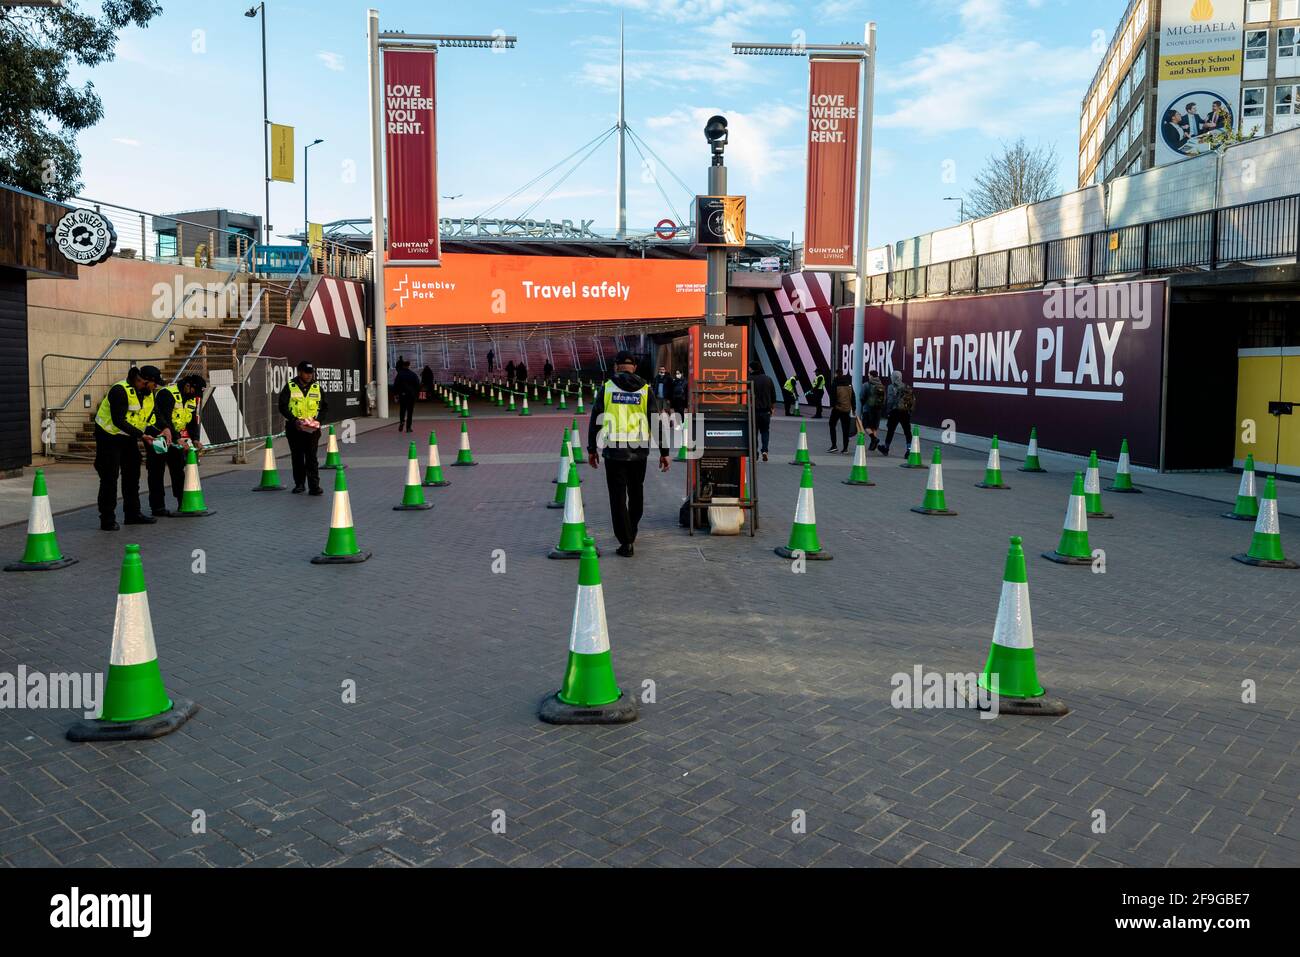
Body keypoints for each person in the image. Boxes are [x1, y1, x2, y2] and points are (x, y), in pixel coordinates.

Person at [587, 350, 669, 558]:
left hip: (614, 452)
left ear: (616, 366)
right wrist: (664, 452)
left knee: (617, 497)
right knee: (636, 493)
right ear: (634, 367)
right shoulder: (645, 390)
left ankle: (626, 541)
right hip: (638, 451)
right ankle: (631, 530)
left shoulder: (606, 388)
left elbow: (595, 418)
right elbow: (656, 421)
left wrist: (591, 449)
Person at [93, 365, 164, 530]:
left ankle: (132, 514)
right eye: (154, 384)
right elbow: (118, 421)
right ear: (143, 380)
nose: (156, 387)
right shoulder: (119, 390)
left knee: (132, 475)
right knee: (109, 478)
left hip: (128, 437)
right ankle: (107, 519)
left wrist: (162, 430)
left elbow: (147, 419)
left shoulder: (148, 395)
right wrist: (142, 436)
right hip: (108, 436)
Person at [145, 373, 206, 517]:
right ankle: (158, 507)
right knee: (156, 471)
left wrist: (195, 439)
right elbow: (164, 419)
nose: (194, 396)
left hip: (175, 438)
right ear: (187, 385)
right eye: (193, 391)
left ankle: (183, 502)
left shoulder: (191, 399)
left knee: (178, 469)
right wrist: (177, 438)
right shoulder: (167, 394)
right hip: (158, 436)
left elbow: (191, 421)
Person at [278, 360, 328, 494]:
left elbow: (324, 408)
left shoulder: (317, 388)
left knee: (312, 457)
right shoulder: (290, 386)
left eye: (311, 373)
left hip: (312, 430)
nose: (309, 375)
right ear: (299, 372)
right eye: (306, 372)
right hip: (295, 429)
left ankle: (314, 486)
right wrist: (295, 420)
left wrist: (318, 421)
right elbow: (282, 406)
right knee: (297, 457)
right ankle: (299, 484)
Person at [879, 370, 915, 456]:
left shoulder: (891, 387)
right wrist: (909, 411)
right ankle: (909, 449)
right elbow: (912, 400)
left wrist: (888, 412)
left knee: (890, 430)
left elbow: (890, 401)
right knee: (907, 432)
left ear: (893, 377)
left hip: (895, 412)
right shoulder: (907, 386)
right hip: (905, 412)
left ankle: (886, 448)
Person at [750, 361, 776, 462]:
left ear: (752, 368)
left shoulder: (749, 379)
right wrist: (772, 408)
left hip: (753, 411)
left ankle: (755, 453)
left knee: (754, 433)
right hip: (766, 412)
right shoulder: (768, 379)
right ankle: (765, 451)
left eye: (749, 368)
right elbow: (773, 396)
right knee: (765, 431)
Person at [826, 371, 855, 453]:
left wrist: (833, 405)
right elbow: (853, 396)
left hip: (837, 408)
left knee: (832, 424)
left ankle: (834, 445)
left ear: (836, 374)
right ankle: (845, 448)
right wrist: (854, 408)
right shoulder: (849, 383)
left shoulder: (835, 383)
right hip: (847, 409)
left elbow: (833, 396)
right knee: (845, 429)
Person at [860, 370, 886, 451]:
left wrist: (863, 404)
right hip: (878, 409)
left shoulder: (866, 385)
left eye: (869, 375)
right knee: (874, 427)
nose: (868, 376)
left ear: (871, 376)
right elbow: (884, 399)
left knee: (866, 426)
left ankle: (874, 439)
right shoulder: (881, 385)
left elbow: (861, 396)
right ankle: (873, 445)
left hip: (867, 409)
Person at [393, 359, 420, 433]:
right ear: (409, 366)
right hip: (411, 396)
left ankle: (402, 422)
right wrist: (415, 394)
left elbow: (396, 385)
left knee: (402, 410)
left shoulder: (400, 374)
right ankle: (408, 428)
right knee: (410, 412)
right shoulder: (413, 374)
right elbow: (417, 385)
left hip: (403, 395)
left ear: (403, 366)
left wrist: (396, 394)